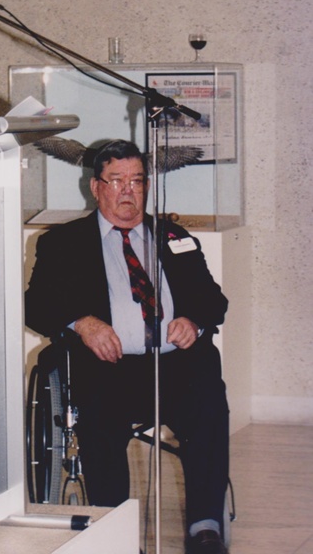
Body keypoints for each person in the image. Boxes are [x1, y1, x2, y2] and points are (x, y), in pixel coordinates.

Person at [25, 139, 230, 554]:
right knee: (99, 415)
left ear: (147, 186)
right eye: (116, 181)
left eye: (136, 181)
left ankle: (204, 526)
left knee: (208, 400)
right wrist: (82, 323)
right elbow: (37, 306)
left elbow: (214, 300)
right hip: (107, 367)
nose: (127, 191)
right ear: (95, 187)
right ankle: (116, 528)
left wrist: (193, 320)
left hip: (176, 367)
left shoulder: (173, 237)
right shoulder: (63, 242)